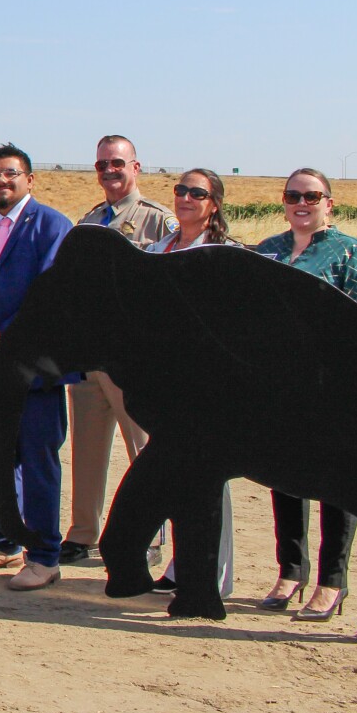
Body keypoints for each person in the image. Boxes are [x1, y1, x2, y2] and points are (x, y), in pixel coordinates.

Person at [255, 168, 357, 623]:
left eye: (312, 195)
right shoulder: (269, 251)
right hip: (280, 387)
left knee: (336, 485)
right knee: (285, 480)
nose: (302, 202)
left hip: (335, 388)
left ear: (329, 203)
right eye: (293, 195)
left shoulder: (353, 253)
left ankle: (332, 581)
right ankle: (290, 571)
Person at [0, 144, 75, 591]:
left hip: (34, 372)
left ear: (29, 179)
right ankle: (4, 542)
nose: (1, 182)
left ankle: (44, 556)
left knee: (38, 461)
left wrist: (5, 335)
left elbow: (50, 291)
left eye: (10, 173)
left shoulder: (53, 226)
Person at [61, 135, 178, 565]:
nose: (109, 172)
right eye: (101, 166)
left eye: (117, 164)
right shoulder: (89, 220)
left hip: (134, 360)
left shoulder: (157, 222)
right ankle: (82, 532)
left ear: (136, 167)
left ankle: (148, 536)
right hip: (91, 357)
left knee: (145, 450)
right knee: (87, 449)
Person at [145, 169, 238, 599]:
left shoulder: (225, 254)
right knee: (176, 476)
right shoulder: (158, 248)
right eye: (180, 190)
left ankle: (211, 574)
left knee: (208, 480)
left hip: (208, 386)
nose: (185, 198)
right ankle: (181, 565)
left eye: (196, 193)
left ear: (213, 204)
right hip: (165, 382)